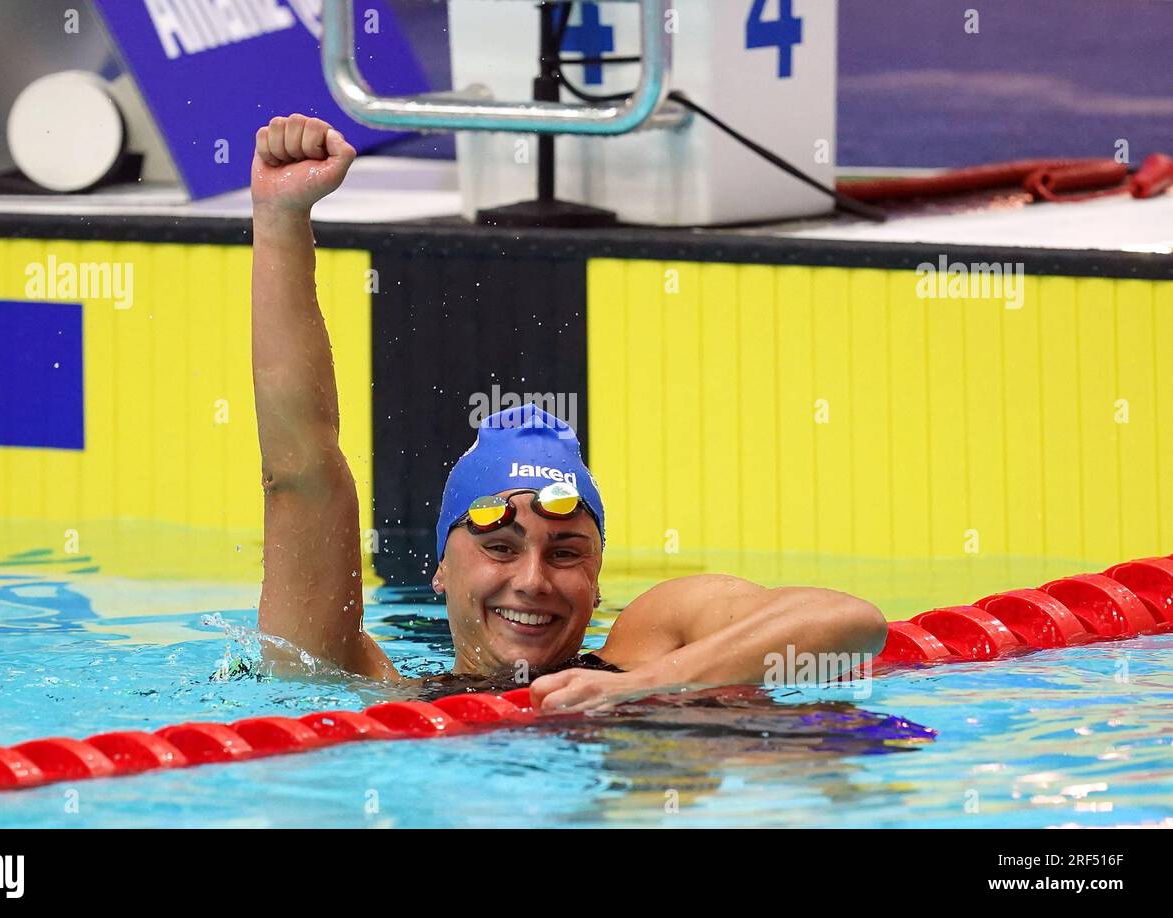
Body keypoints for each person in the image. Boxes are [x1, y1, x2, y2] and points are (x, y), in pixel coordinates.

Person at [251, 114, 887, 712]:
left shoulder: (648, 644)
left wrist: (642, 686)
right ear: (440, 570)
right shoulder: (364, 687)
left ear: (599, 577)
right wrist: (280, 215)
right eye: (499, 547)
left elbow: (849, 623)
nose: (532, 581)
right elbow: (300, 469)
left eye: (566, 553)